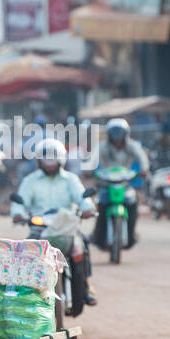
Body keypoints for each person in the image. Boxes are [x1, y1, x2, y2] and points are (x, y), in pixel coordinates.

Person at [13, 138, 98, 306]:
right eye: (45, 159)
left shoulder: (70, 179)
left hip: (66, 228)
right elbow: (20, 203)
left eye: (53, 159)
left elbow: (82, 198)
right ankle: (23, 293)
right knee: (24, 254)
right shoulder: (30, 181)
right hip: (39, 229)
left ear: (61, 160)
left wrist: (88, 209)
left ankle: (86, 285)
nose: (49, 164)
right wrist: (18, 214)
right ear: (39, 161)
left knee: (82, 244)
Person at [91, 118, 148, 250]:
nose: (117, 138)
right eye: (114, 133)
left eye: (120, 134)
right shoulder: (102, 146)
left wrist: (144, 169)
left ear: (125, 134)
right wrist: (89, 169)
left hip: (125, 183)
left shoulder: (132, 146)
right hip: (106, 183)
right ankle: (98, 236)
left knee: (133, 204)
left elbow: (142, 157)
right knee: (102, 205)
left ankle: (131, 233)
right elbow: (92, 159)